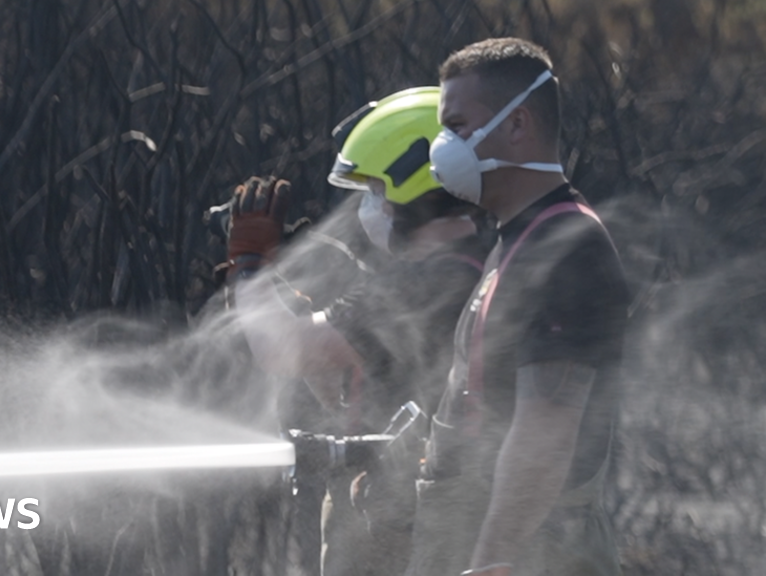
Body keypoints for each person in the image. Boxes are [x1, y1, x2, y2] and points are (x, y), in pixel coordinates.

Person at [226, 87, 489, 576]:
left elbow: (281, 351)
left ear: (412, 183)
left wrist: (248, 267)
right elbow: (337, 379)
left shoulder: (427, 283)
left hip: (397, 529)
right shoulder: (475, 264)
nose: (371, 208)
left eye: (375, 191)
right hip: (423, 514)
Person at [405, 38, 629, 576]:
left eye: (456, 126)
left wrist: (491, 561)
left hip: (534, 555)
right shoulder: (515, 240)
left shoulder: (569, 246)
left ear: (517, 123)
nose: (444, 144)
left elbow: (546, 427)